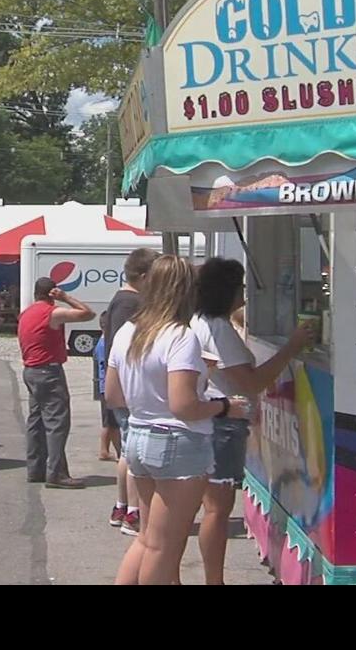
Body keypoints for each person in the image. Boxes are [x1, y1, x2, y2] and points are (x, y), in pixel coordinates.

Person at [105, 255, 251, 585]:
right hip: (178, 444)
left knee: (147, 539)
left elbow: (114, 395)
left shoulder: (129, 331)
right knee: (164, 548)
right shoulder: (180, 336)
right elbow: (184, 406)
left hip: (139, 437)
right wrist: (223, 407)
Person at [189, 257, 313, 585]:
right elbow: (251, 382)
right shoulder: (218, 329)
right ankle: (214, 580)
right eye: (239, 287)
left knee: (202, 508)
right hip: (223, 425)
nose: (244, 292)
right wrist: (293, 347)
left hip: (214, 422)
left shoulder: (203, 322)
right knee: (216, 509)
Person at [18, 276, 96, 489]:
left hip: (31, 370)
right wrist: (66, 297)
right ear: (52, 293)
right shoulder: (51, 313)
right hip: (48, 371)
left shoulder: (26, 313)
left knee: (36, 421)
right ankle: (57, 473)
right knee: (56, 423)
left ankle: (35, 469)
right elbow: (88, 314)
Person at [106, 248, 158, 536]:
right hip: (128, 388)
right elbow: (124, 350)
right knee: (132, 453)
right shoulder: (130, 304)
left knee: (127, 452)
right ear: (144, 276)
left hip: (124, 387)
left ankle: (123, 506)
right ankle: (133, 512)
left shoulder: (122, 300)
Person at [93, 310, 120, 462]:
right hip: (106, 387)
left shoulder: (102, 342)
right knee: (110, 423)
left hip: (105, 387)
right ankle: (112, 451)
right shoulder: (104, 344)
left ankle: (108, 450)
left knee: (110, 422)